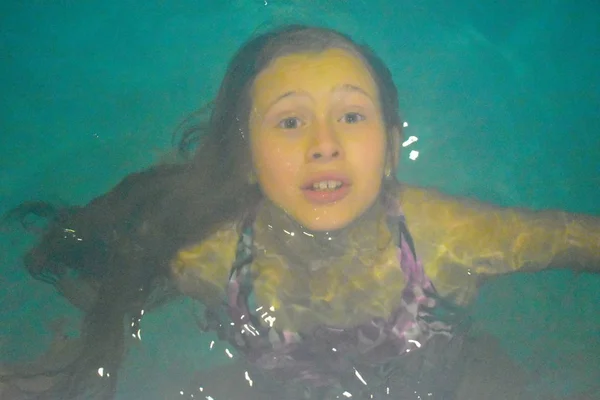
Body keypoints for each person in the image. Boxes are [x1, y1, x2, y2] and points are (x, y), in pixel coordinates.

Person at [1, 25, 599, 400]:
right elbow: (91, 267)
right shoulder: (208, 255)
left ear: (391, 148)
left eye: (352, 115)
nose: (324, 143)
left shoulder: (447, 236)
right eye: (290, 122)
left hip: (454, 376)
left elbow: (577, 238)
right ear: (246, 156)